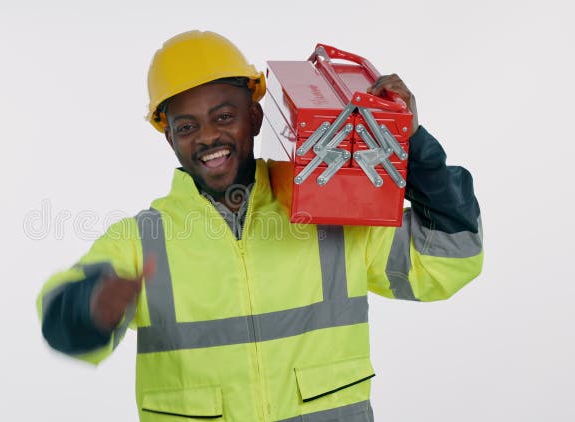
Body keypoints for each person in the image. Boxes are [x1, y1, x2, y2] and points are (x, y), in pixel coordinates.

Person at [36, 30, 483, 422]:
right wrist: (89, 306)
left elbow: (448, 259)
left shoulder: (331, 214)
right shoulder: (139, 241)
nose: (208, 136)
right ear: (168, 137)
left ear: (254, 117)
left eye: (224, 117)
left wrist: (410, 142)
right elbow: (61, 323)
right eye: (187, 126)